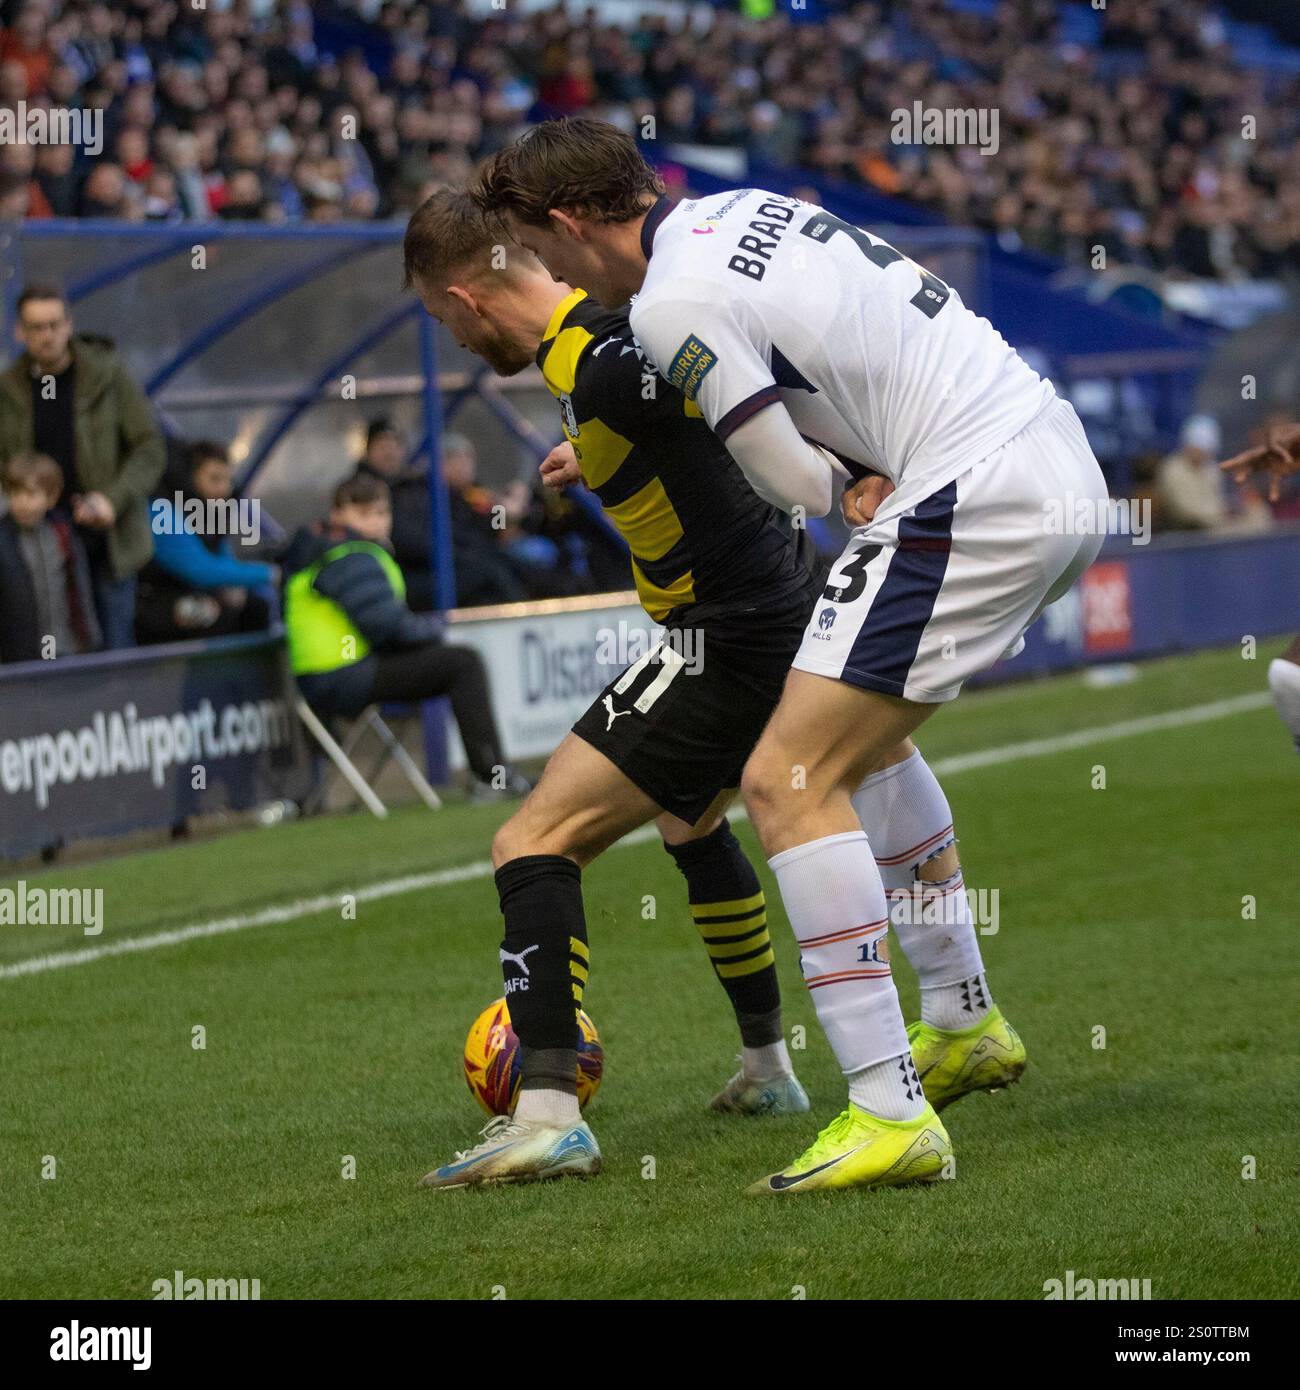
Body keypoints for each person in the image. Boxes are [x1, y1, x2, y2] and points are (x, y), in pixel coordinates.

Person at [474, 118, 1105, 1195]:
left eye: (543, 249)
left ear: (571, 223)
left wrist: (839, 490)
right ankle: (960, 1017)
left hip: (970, 485)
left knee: (787, 776)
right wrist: (855, 470)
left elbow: (774, 463)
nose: (551, 272)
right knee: (865, 750)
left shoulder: (670, 297)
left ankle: (886, 1107)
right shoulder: (740, 210)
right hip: (1042, 451)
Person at [403, 190, 822, 1189]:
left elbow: (720, 404)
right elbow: (684, 424)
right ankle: (768, 1065)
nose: (452, 339)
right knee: (690, 822)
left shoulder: (601, 356)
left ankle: (546, 1112)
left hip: (728, 630)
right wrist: (592, 459)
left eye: (441, 320)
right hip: (777, 608)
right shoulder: (598, 343)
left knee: (531, 839)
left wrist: (842, 471)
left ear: (467, 297)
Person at [281, 471, 522, 797]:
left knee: (455, 662)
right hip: (341, 676)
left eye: (382, 513)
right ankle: (491, 777)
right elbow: (385, 626)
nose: (376, 522)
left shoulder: (330, 550)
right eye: (363, 513)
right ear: (338, 515)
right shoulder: (348, 554)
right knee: (462, 663)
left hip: (334, 673)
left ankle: (490, 775)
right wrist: (432, 633)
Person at [0, 283, 165, 648]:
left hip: (107, 540)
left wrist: (112, 499)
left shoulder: (106, 374)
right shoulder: (10, 387)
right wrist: (18, 501)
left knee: (113, 646)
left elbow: (150, 447)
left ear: (69, 324)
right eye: (36, 327)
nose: (47, 336)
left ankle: (116, 705)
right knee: (51, 648)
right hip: (41, 544)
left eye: (54, 324)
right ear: (19, 332)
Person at [135, 441, 276, 646]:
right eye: (215, 479)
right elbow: (200, 569)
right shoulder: (161, 510)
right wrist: (269, 574)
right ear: (190, 477)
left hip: (195, 594)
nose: (224, 489)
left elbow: (224, 559)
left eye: (228, 479)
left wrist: (238, 585)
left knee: (254, 606)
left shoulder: (212, 511)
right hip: (154, 604)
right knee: (208, 612)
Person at [0, 450, 100, 662]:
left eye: (31, 494)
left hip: (64, 646)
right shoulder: (4, 538)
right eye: (15, 493)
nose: (22, 502)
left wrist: (88, 638)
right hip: (19, 654)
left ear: (51, 496)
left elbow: (79, 587)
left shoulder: (63, 533)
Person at [352, 417, 437, 610]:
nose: (390, 452)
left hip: (419, 569)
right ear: (368, 450)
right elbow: (405, 539)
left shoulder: (414, 484)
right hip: (396, 576)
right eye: (382, 445)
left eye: (395, 445)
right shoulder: (360, 488)